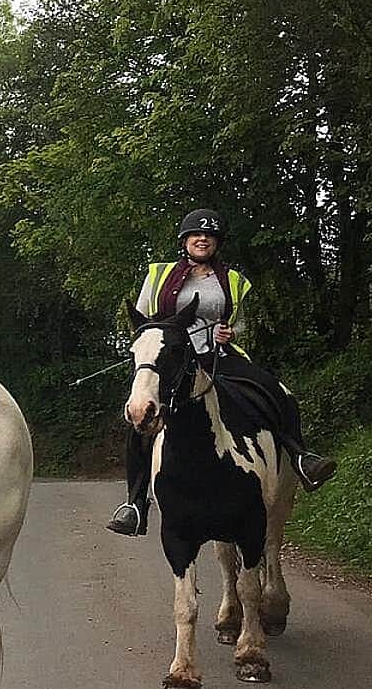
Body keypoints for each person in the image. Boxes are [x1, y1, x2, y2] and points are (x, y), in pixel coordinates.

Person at [108, 208, 338, 536]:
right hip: (172, 361)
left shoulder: (231, 279)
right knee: (141, 416)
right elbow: (143, 320)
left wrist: (230, 333)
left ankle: (301, 456)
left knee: (271, 389)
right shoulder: (159, 274)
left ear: (217, 243)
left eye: (209, 235)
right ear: (185, 240)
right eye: (196, 234)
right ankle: (135, 503)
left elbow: (241, 323)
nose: (202, 239)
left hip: (216, 356)